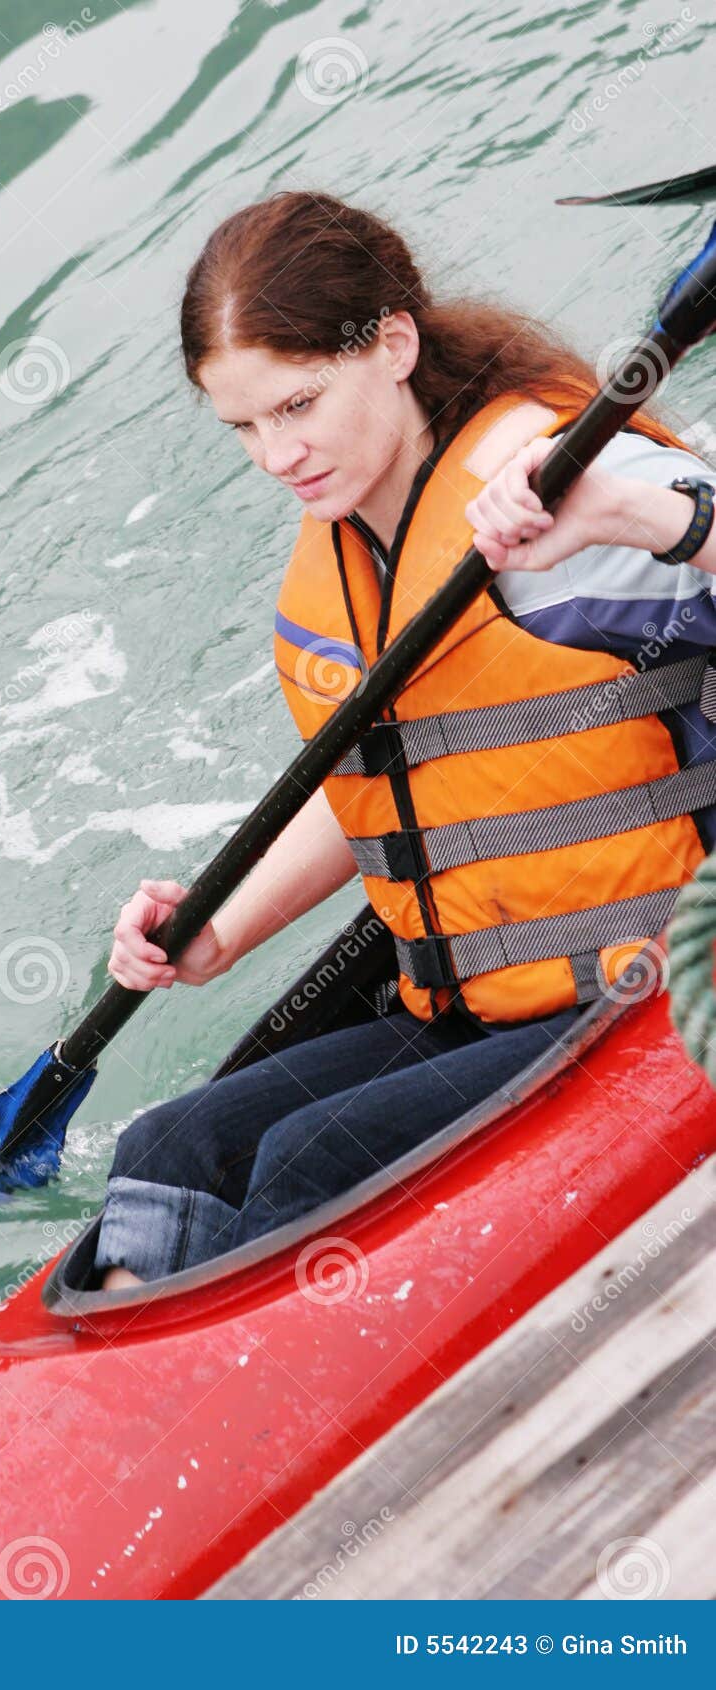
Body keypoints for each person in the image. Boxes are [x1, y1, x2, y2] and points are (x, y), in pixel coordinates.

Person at [95, 189, 716, 1292]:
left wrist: (631, 518)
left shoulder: (560, 482)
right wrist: (218, 932)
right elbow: (393, 784)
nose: (275, 455)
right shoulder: (350, 547)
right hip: (477, 1000)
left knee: (309, 1164)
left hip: (653, 989)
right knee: (169, 1155)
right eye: (242, 426)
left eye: (297, 405)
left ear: (391, 346)